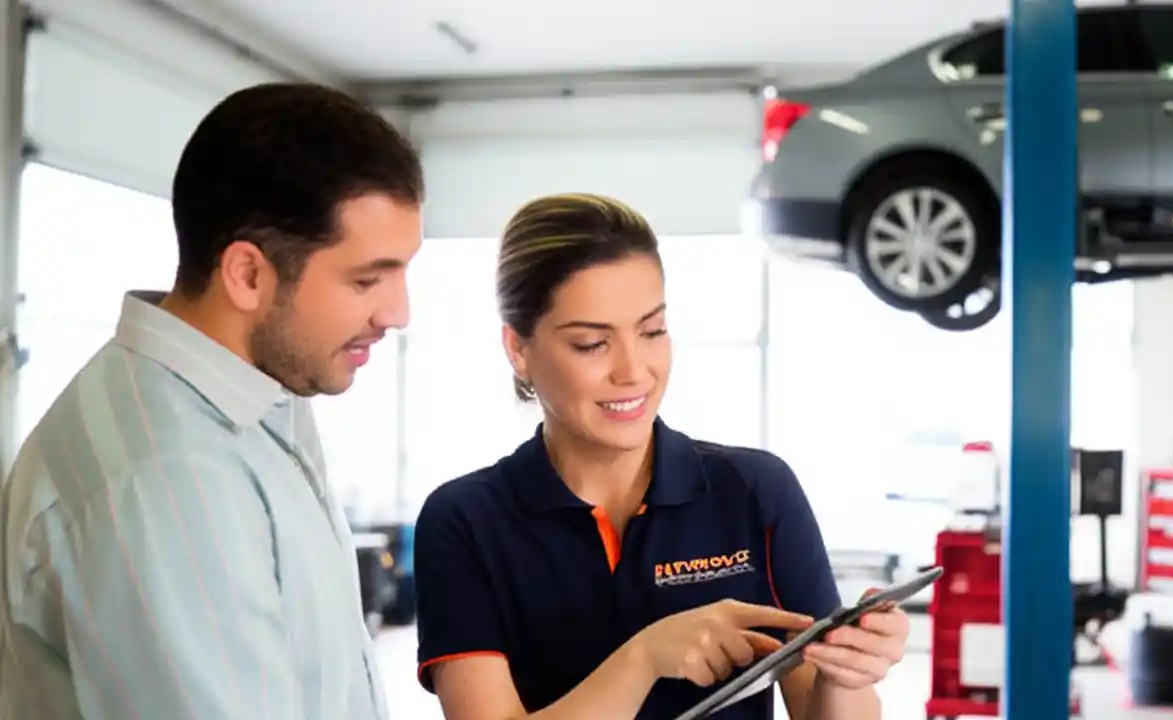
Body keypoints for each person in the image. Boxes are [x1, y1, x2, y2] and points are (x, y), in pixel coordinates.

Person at [0, 82, 424, 720]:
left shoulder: (251, 409)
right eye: (366, 279)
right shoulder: (167, 478)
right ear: (248, 274)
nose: (398, 312)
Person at [413, 193, 910, 719]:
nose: (634, 370)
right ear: (518, 349)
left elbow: (822, 708)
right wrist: (644, 658)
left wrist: (850, 674)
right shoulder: (465, 521)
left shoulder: (755, 491)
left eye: (652, 332)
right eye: (591, 344)